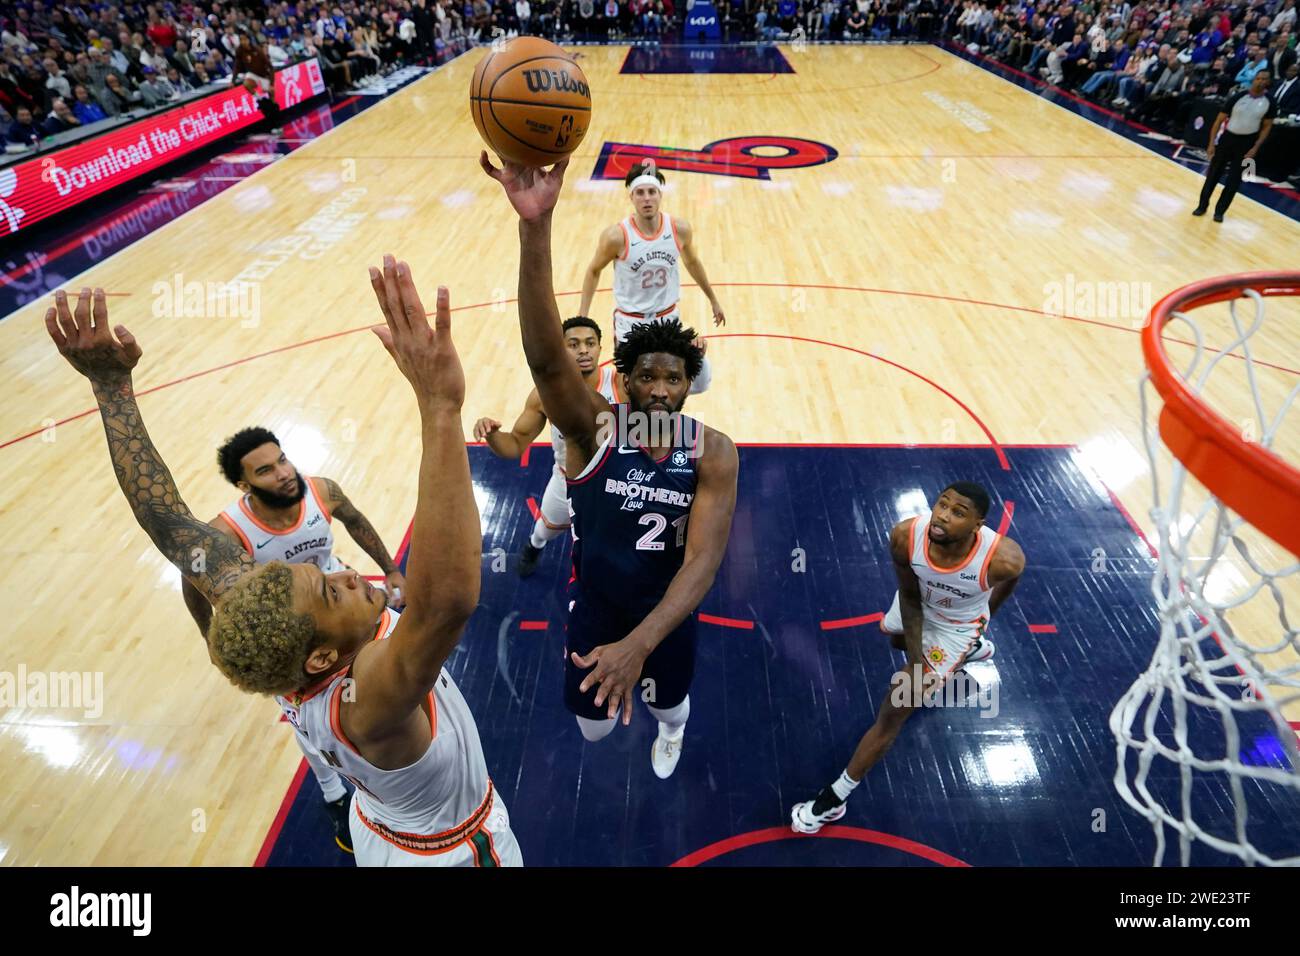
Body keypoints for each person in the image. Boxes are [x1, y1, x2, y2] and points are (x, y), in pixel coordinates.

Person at [44, 267, 519, 868]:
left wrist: (111, 387)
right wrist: (440, 408)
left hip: (378, 825)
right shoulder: (368, 698)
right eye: (332, 589)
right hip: (450, 851)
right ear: (324, 658)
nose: (351, 577)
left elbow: (168, 524)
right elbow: (447, 600)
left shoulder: (285, 629)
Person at [482, 152, 739, 779]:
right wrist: (533, 227)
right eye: (643, 374)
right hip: (596, 605)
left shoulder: (715, 451)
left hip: (668, 607)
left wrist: (638, 648)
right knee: (593, 730)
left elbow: (703, 563)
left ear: (688, 385)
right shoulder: (597, 427)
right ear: (620, 381)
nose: (656, 386)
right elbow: (547, 362)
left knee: (671, 706)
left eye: (671, 376)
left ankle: (671, 732)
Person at [791, 482, 1026, 832]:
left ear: (977, 525)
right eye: (942, 504)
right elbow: (910, 596)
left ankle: (834, 799)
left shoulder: (1003, 559)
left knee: (893, 712)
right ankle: (968, 652)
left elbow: (1011, 579)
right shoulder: (905, 537)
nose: (943, 516)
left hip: (954, 630)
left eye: (958, 512)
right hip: (919, 604)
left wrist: (982, 619)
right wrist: (917, 660)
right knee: (898, 643)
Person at [474, 316, 622, 577]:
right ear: (560, 349)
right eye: (573, 344)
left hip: (616, 480)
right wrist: (493, 435)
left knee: (613, 539)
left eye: (590, 343)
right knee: (546, 528)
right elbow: (515, 445)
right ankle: (534, 546)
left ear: (600, 347)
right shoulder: (545, 394)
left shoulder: (621, 383)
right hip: (567, 480)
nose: (584, 350)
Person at [577, 160, 726, 395]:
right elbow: (593, 270)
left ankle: (665, 428)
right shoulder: (617, 236)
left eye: (651, 192)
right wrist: (582, 317)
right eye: (640, 193)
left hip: (667, 319)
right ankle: (631, 429)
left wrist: (713, 299)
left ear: (660, 195)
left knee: (692, 383)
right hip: (631, 322)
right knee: (633, 389)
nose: (646, 198)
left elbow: (692, 262)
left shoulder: (679, 229)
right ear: (631, 197)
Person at [1194, 68, 1275, 221]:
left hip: (1247, 142)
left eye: (1265, 79)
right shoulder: (1239, 96)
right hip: (1228, 139)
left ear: (1268, 82)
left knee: (1234, 180)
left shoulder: (1269, 102)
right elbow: (1218, 120)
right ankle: (1202, 206)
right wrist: (1211, 143)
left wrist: (1255, 147)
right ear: (1254, 80)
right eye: (1259, 78)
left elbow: (1267, 127)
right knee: (1213, 174)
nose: (1261, 81)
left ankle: (1220, 211)